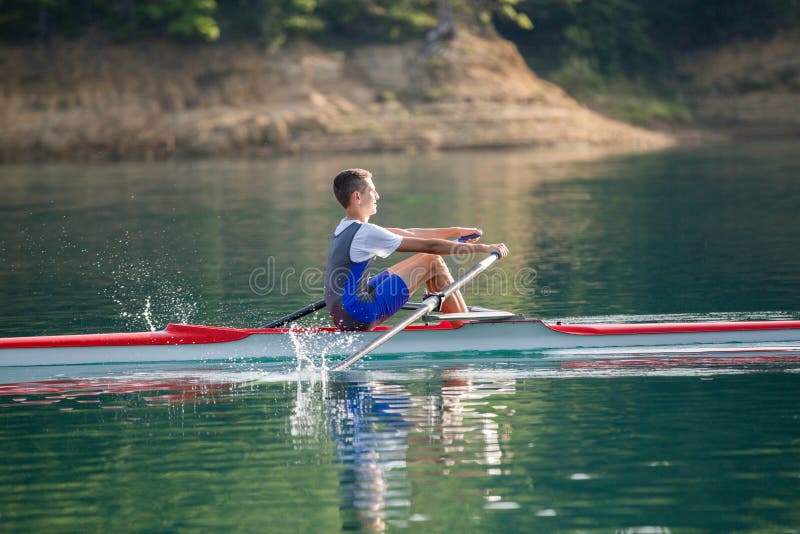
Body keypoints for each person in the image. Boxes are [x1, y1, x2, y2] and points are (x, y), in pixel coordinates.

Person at [324, 168, 509, 331]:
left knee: (424, 260)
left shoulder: (345, 227)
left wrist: (455, 231)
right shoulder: (365, 232)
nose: (377, 196)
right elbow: (430, 246)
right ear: (357, 197)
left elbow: (409, 233)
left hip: (343, 314)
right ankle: (464, 329)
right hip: (360, 314)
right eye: (372, 191)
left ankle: (454, 313)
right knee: (432, 260)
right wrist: (484, 248)